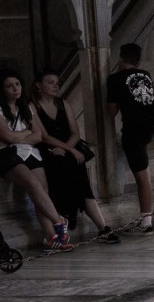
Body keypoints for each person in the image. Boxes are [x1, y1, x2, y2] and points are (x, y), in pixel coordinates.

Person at [33, 69, 120, 243]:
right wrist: (69, 150)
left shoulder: (63, 104)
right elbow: (44, 136)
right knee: (60, 170)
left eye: (57, 82)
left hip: (68, 149)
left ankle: (102, 228)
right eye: (50, 82)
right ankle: (61, 224)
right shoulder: (32, 106)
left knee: (83, 185)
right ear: (38, 86)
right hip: (48, 151)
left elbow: (75, 132)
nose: (55, 85)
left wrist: (68, 149)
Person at [0, 69, 73, 252]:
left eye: (17, 84)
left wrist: (21, 136)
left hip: (29, 152)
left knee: (42, 191)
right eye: (9, 86)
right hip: (6, 154)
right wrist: (25, 134)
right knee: (32, 184)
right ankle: (59, 221)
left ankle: (52, 238)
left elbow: (38, 135)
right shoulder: (0, 109)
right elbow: (7, 137)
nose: (15, 89)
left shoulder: (26, 106)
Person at [106, 42, 154, 234]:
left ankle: (147, 222)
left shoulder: (114, 79)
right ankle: (146, 220)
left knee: (142, 178)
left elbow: (111, 111)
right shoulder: (145, 74)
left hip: (135, 130)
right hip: (153, 123)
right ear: (138, 61)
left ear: (121, 59)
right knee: (144, 171)